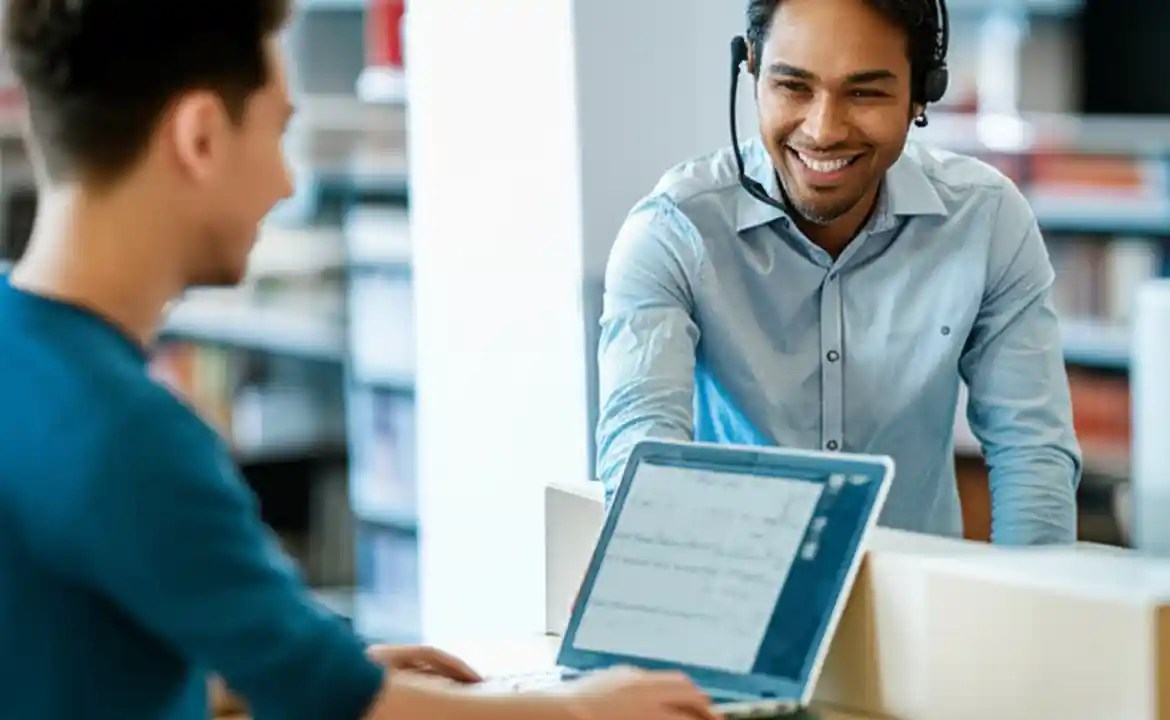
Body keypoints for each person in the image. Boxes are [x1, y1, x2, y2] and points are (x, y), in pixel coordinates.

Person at [0, 2, 717, 719]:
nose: (286, 183)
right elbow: (346, 708)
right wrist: (587, 711)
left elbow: (81, 656)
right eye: (279, 132)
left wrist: (297, 664)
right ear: (201, 138)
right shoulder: (129, 435)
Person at [596, 0, 1083, 545]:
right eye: (793, 87)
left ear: (921, 93)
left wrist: (1034, 615)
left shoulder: (986, 221)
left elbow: (1032, 457)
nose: (823, 130)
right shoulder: (674, 229)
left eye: (865, 92)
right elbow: (641, 448)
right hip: (731, 602)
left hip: (917, 606)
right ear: (752, 71)